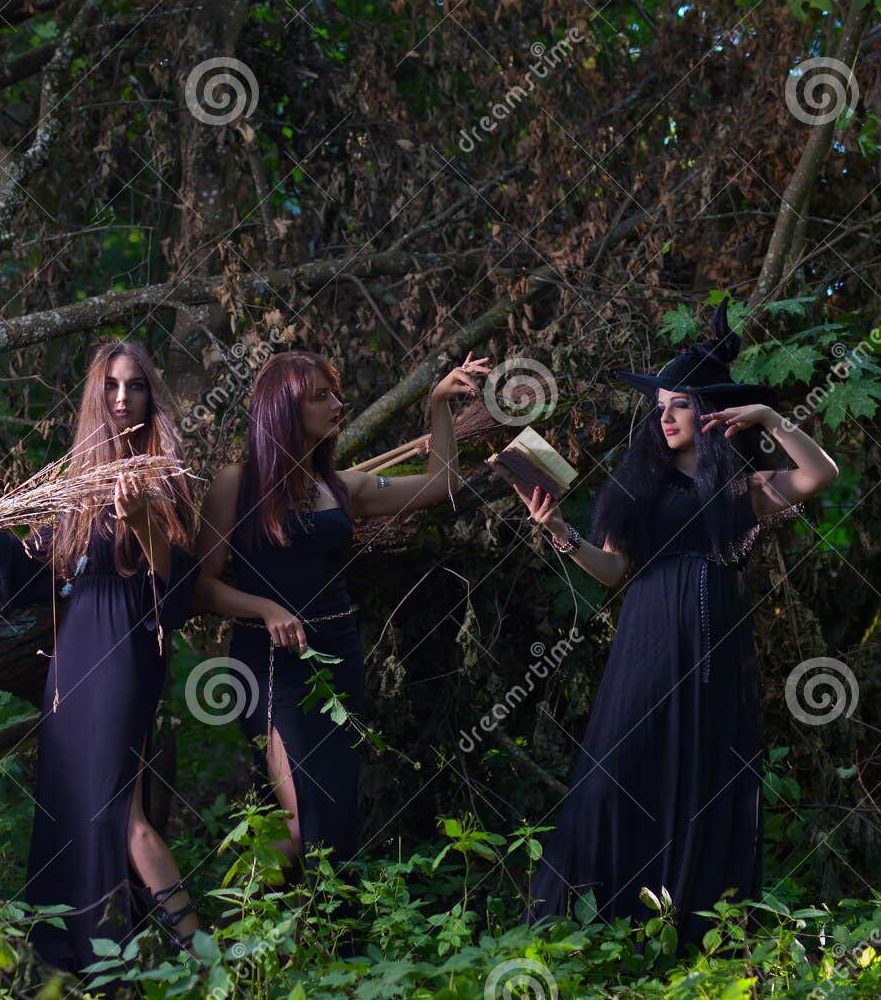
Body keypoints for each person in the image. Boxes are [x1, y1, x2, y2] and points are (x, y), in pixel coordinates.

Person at [518, 301, 840, 948]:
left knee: (703, 772)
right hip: (646, 638)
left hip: (714, 635)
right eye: (659, 407)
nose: (663, 417)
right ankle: (593, 923)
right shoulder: (635, 485)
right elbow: (611, 570)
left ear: (709, 412)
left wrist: (772, 419)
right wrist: (561, 534)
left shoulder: (740, 487)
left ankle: (693, 929)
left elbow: (820, 473)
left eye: (678, 405)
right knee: (615, 771)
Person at [0, 339, 203, 974]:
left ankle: (207, 961)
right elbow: (36, 572)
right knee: (74, 803)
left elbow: (175, 585)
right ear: (95, 398)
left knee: (117, 812)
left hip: (127, 650)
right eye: (110, 386)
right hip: (73, 659)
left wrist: (142, 522)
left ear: (150, 396)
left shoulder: (166, 475)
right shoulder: (79, 485)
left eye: (135, 386)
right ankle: (84, 965)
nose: (123, 398)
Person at [191, 349, 486, 874]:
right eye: (320, 395)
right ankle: (239, 932)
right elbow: (201, 587)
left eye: (336, 392)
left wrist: (438, 405)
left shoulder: (341, 488)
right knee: (304, 815)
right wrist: (265, 608)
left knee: (333, 813)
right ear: (283, 408)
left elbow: (442, 484)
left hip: (338, 658)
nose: (337, 404)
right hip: (270, 668)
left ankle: (319, 939)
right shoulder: (234, 485)